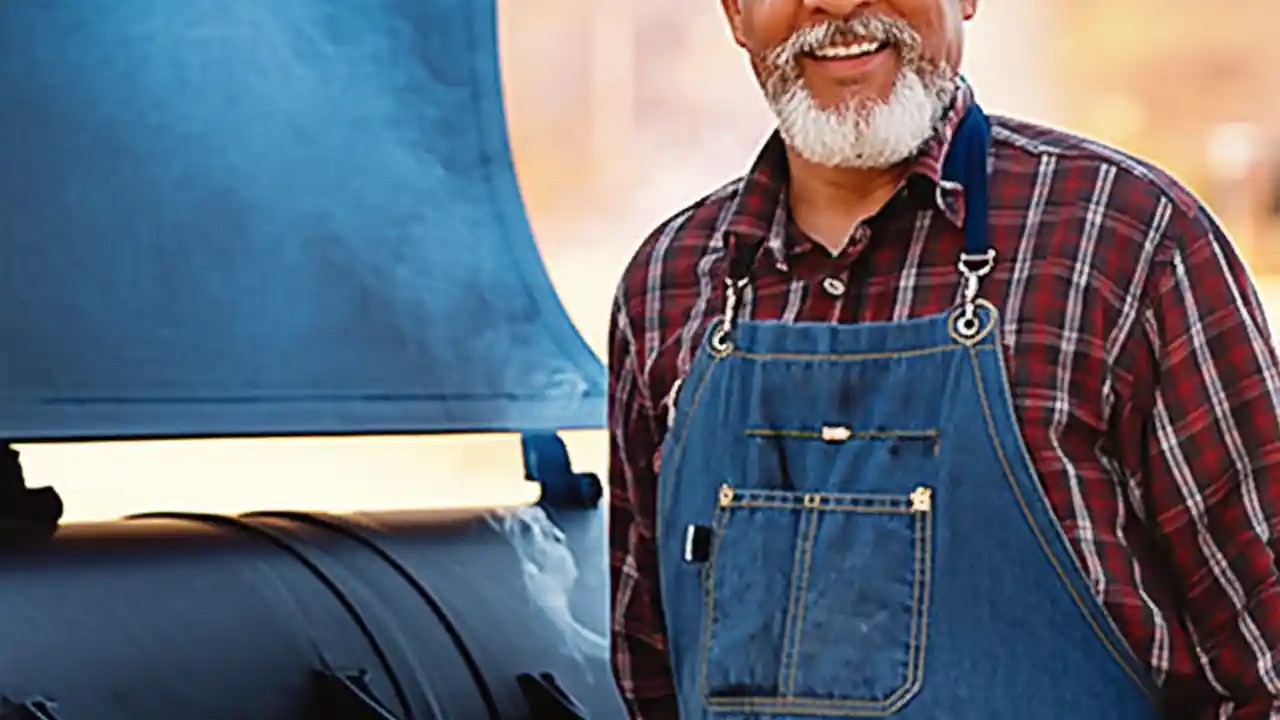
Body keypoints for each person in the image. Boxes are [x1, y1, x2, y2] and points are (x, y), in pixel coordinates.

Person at [606, 0, 1280, 718]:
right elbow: (650, 675)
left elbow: (1266, 665)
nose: (836, 1)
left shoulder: (1128, 244)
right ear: (737, 13)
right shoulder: (668, 287)